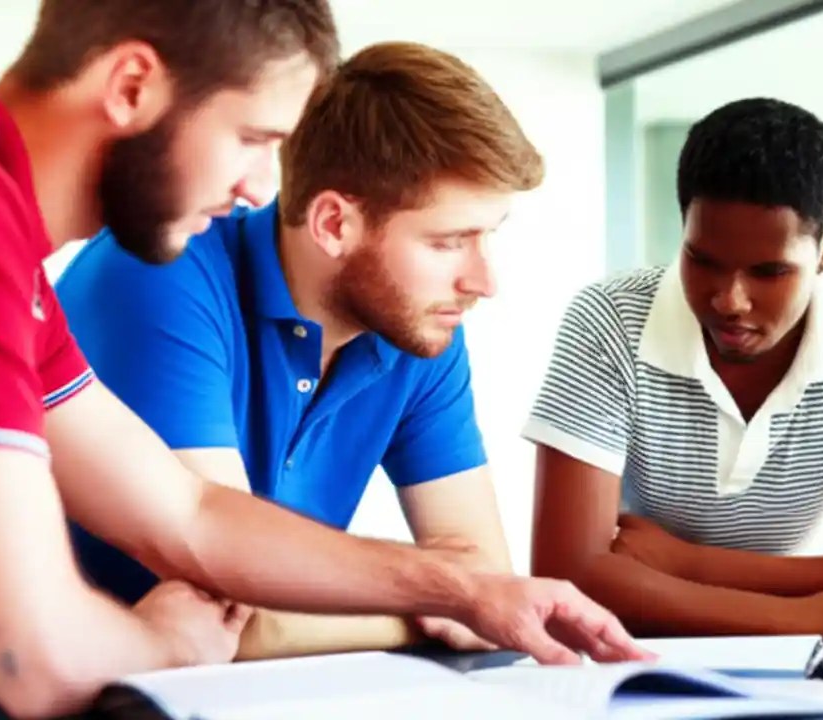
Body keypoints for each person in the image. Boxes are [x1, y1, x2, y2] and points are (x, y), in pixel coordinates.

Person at [0, 2, 645, 716]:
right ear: (131, 86)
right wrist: (164, 642)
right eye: (249, 137)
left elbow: (190, 515)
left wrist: (467, 590)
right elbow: (27, 655)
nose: (255, 187)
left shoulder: (0, 244)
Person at [56, 41, 537, 660]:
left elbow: (486, 576)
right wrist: (443, 602)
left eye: (486, 238)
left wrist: (463, 597)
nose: (483, 282)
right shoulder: (159, 273)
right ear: (334, 224)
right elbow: (238, 619)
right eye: (448, 242)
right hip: (12, 686)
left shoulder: (422, 327)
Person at [525, 97, 823, 638]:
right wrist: (801, 617)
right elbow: (569, 576)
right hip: (636, 653)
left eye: (770, 272)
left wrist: (686, 563)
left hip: (709, 634)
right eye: (703, 261)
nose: (731, 301)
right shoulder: (610, 319)